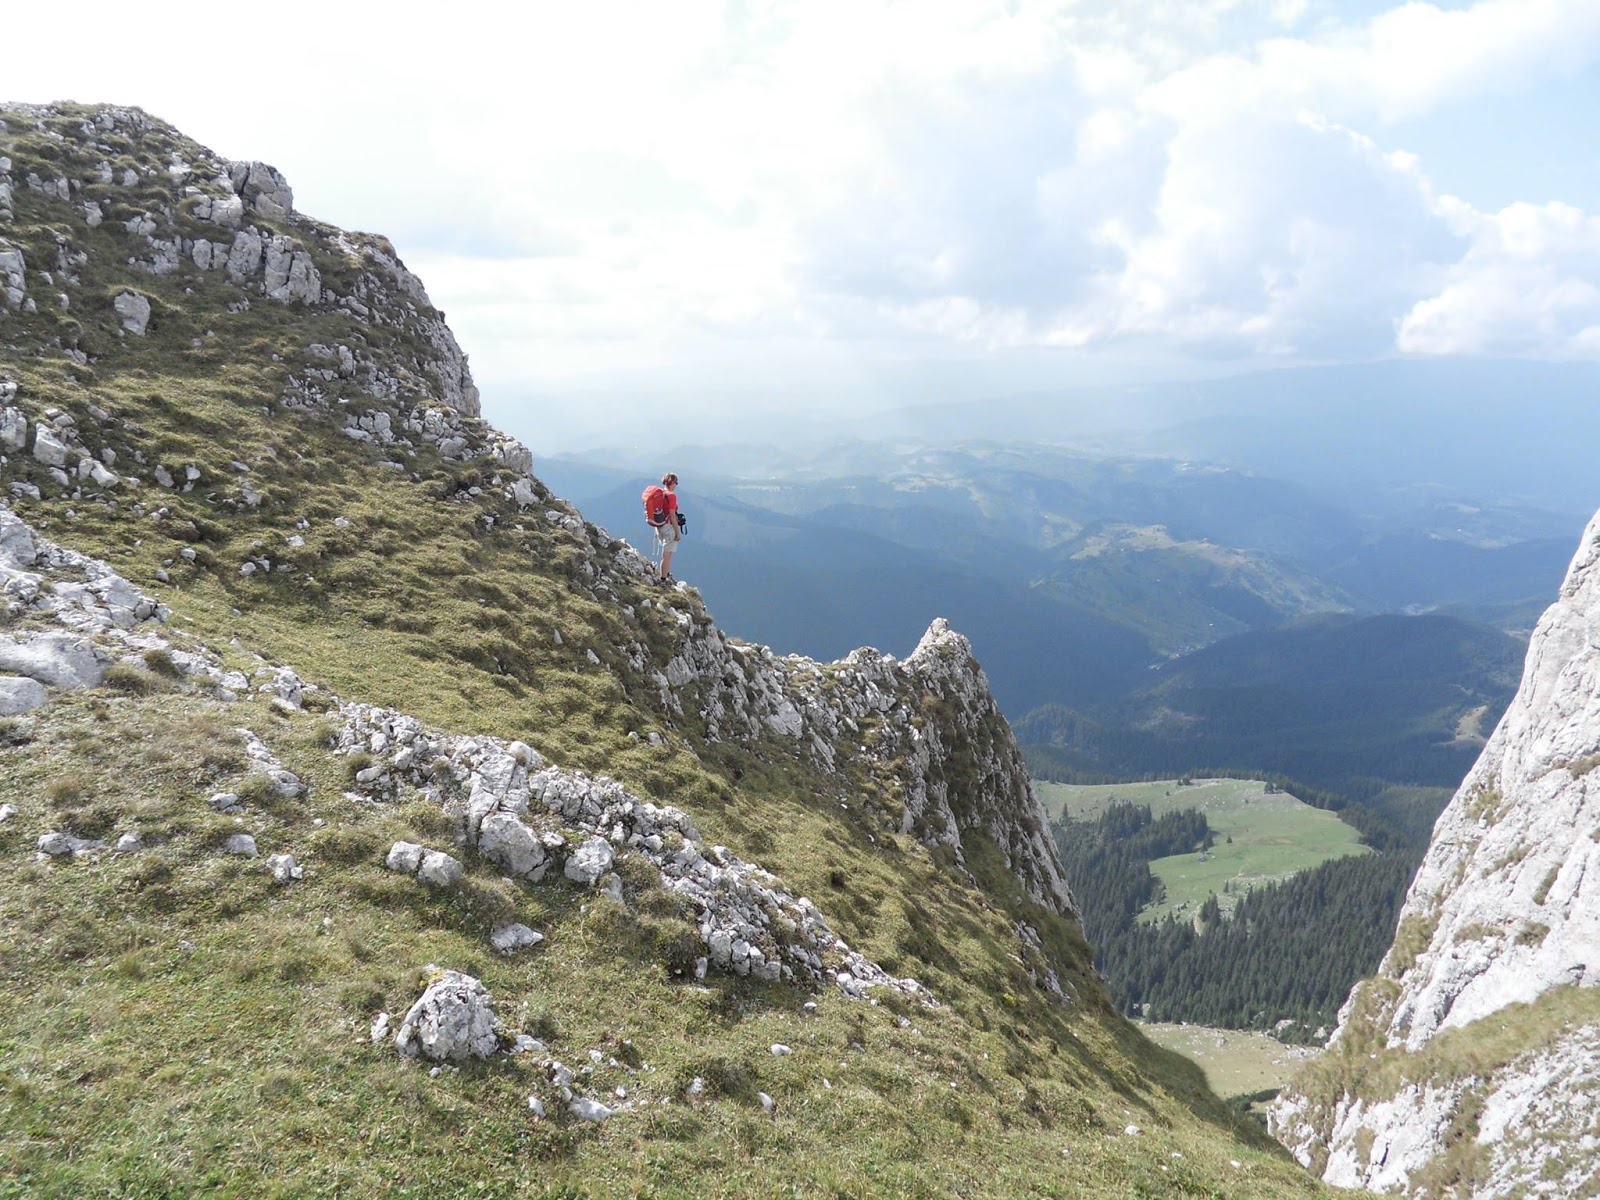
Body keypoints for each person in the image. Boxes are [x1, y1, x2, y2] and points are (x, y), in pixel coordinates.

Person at [647, 472, 685, 584]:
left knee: (666, 552)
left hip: (659, 526)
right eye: (676, 483)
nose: (676, 485)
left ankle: (666, 573)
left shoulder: (660, 493)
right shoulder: (671, 496)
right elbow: (672, 515)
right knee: (667, 554)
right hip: (669, 527)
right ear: (672, 482)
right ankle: (663, 579)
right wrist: (678, 532)